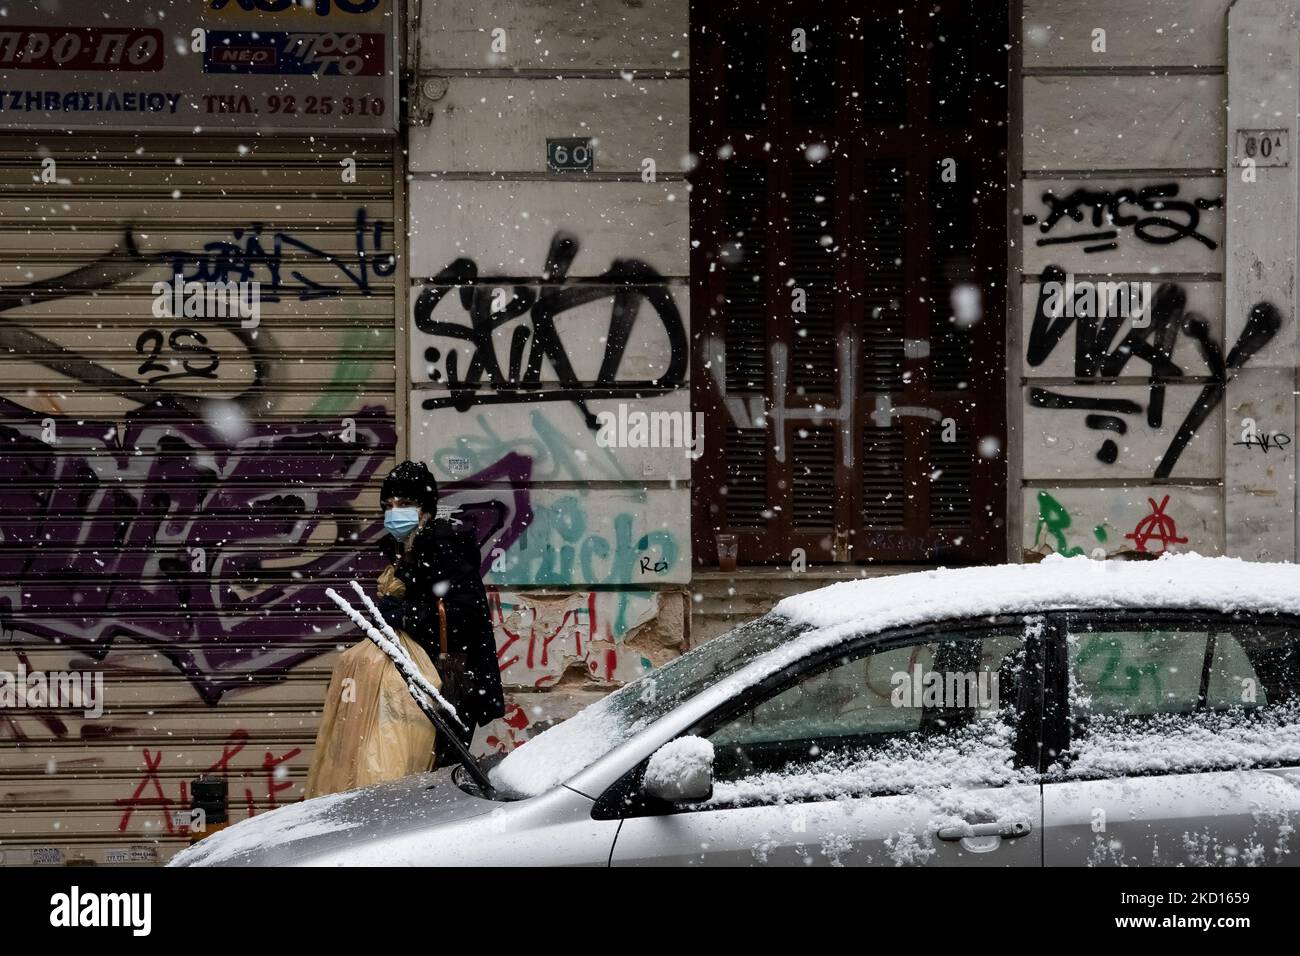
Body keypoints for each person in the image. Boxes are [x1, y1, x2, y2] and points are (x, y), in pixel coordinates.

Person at [375, 460, 504, 762]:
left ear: (426, 509)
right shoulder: (400, 548)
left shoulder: (446, 546)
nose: (395, 512)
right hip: (419, 681)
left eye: (405, 503)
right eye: (388, 505)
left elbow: (465, 615)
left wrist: (407, 614)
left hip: (448, 682)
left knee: (432, 779)